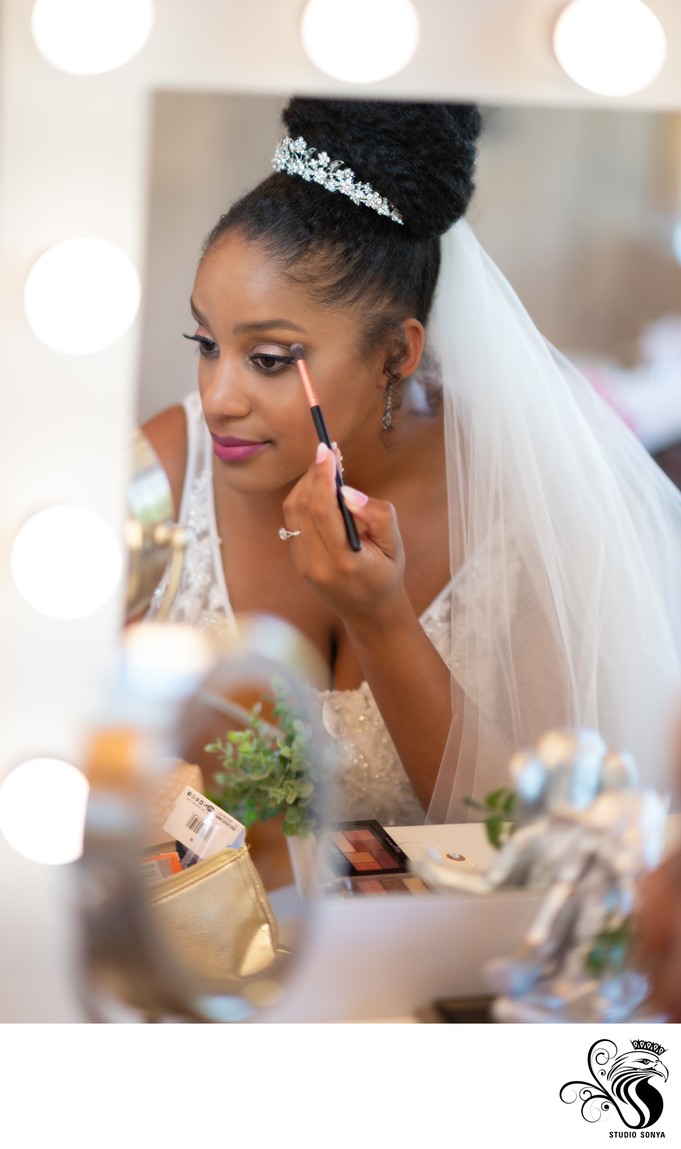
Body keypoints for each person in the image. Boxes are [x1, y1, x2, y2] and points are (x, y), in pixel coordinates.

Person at [142, 97, 681, 850]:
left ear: (397, 352)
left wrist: (381, 619)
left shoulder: (519, 505)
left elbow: (533, 847)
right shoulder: (160, 477)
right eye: (205, 344)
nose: (217, 399)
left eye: (268, 360)